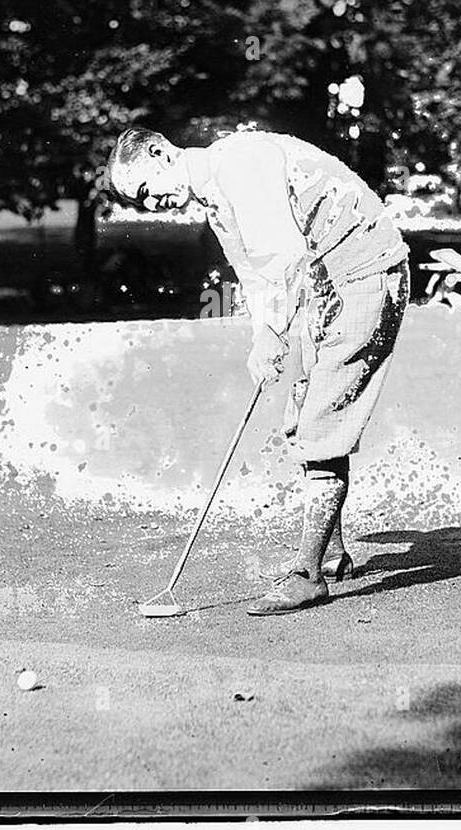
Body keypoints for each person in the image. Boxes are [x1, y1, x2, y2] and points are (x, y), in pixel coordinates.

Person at [105, 126, 409, 615]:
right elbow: (254, 274)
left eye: (145, 190)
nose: (150, 204)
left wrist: (275, 335)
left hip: (365, 268)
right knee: (304, 410)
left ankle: (308, 576)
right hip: (326, 278)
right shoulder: (215, 201)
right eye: (140, 203)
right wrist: (261, 338)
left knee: (321, 419)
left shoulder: (236, 163)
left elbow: (283, 254)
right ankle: (331, 554)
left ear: (160, 153)